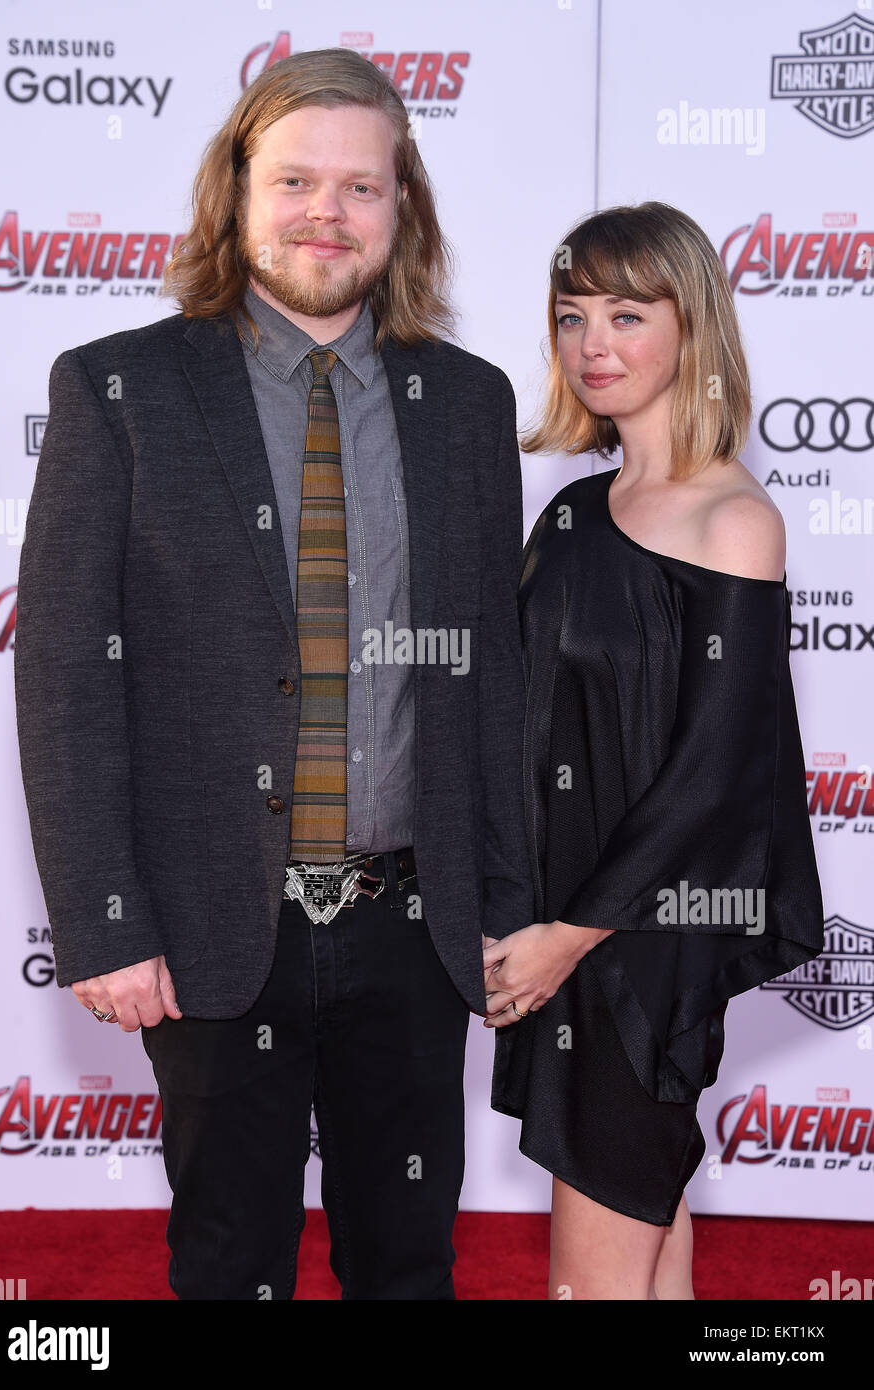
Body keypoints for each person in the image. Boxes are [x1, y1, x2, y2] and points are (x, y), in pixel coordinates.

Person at [14, 47, 533, 1300]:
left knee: (406, 1263)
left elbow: (492, 683)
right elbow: (68, 673)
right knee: (230, 1263)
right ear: (236, 192)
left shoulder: (467, 403)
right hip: (204, 927)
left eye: (362, 187)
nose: (327, 213)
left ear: (401, 207)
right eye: (296, 179)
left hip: (413, 928)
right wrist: (105, 920)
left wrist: (507, 896)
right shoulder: (118, 389)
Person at [486, 201, 825, 1300]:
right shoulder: (573, 516)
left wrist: (565, 941)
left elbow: (715, 777)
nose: (592, 343)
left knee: (589, 1280)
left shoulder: (732, 519)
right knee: (648, 1244)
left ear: (692, 327)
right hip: (561, 925)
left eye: (627, 314)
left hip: (637, 944)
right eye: (570, 315)